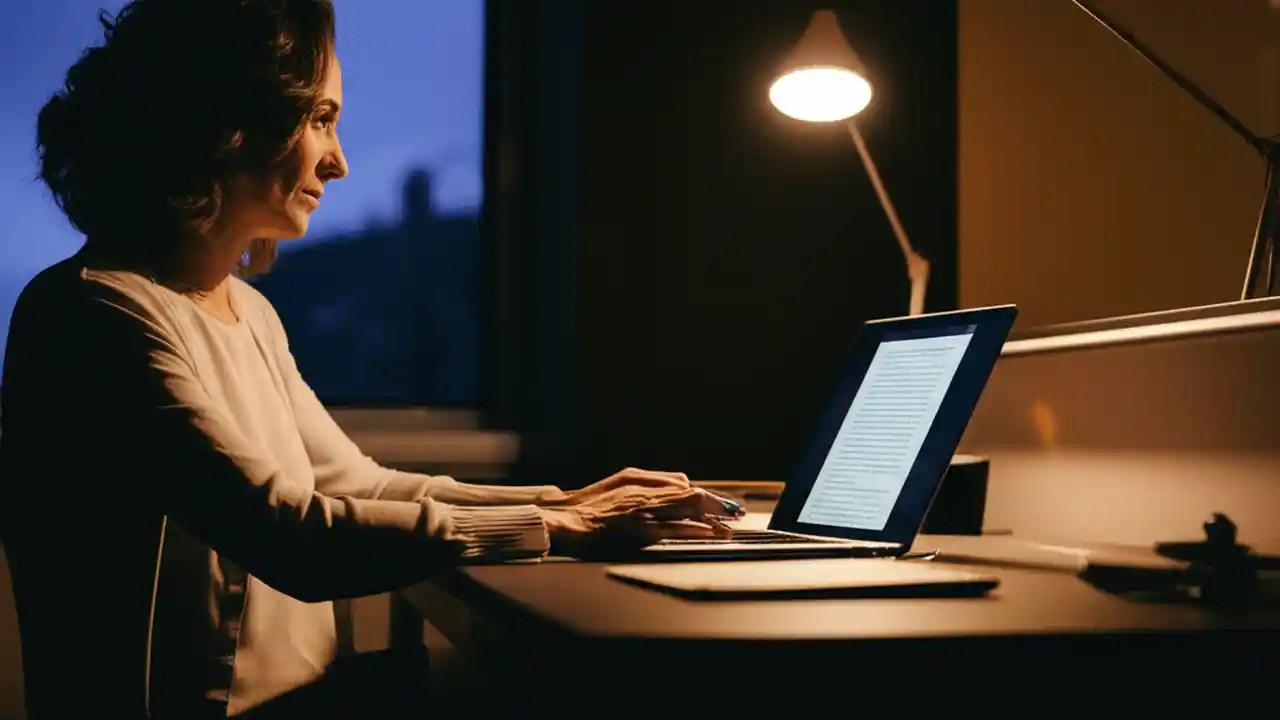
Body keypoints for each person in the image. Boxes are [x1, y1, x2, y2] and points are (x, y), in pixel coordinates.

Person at [0, 1, 731, 717]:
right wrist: (561, 527)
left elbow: (358, 484)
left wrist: (560, 503)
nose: (341, 161)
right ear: (227, 122)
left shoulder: (246, 310)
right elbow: (288, 536)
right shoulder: (93, 311)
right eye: (321, 118)